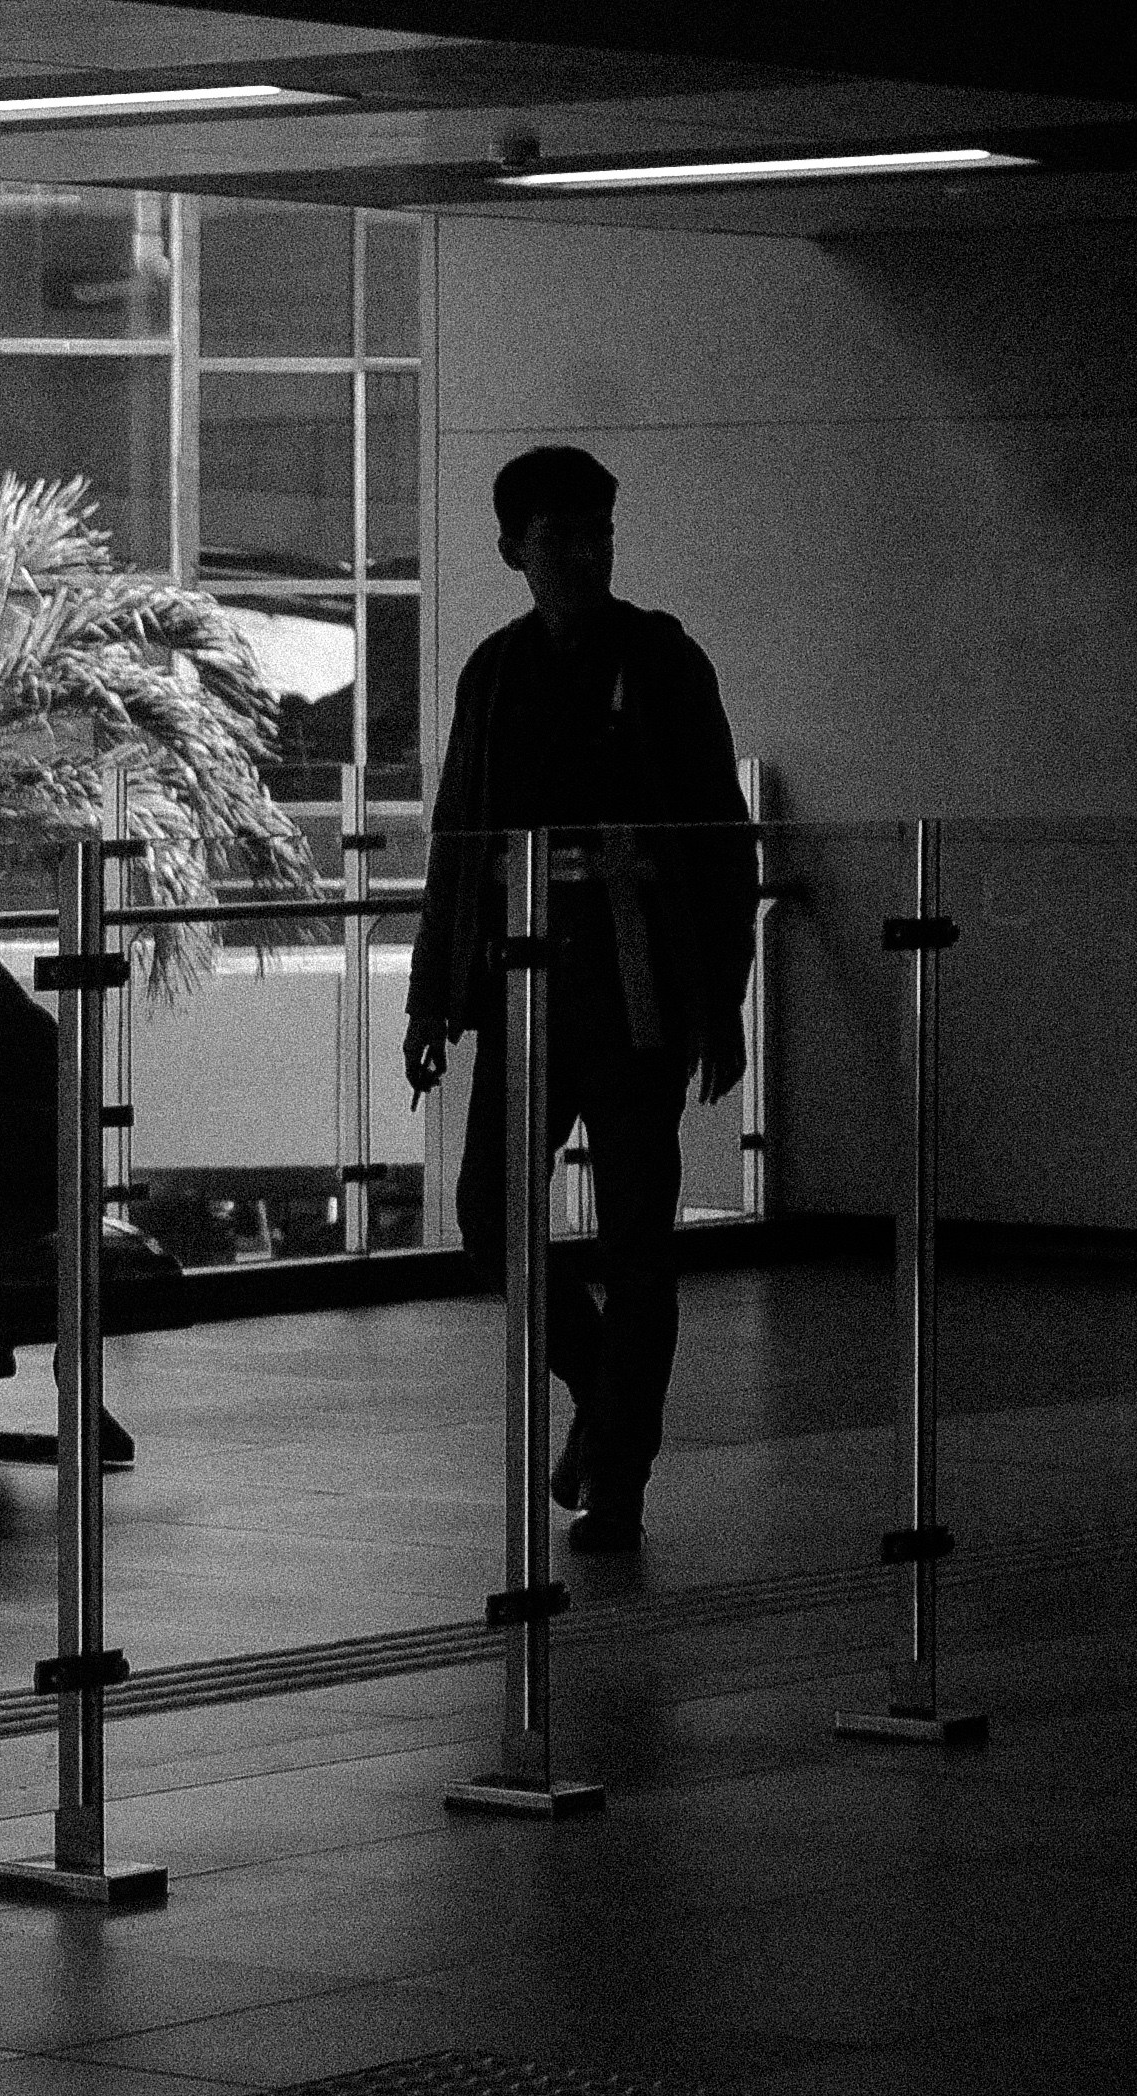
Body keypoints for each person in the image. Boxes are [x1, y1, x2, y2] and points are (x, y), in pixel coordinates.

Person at [404, 447, 758, 1552]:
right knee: (487, 1216)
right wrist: (430, 997)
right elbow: (459, 836)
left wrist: (724, 1000)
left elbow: (720, 840)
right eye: (559, 538)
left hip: (640, 984)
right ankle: (610, 1408)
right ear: (515, 550)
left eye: (597, 534)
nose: (584, 555)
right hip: (523, 980)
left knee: (641, 1239)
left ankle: (622, 1473)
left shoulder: (661, 660)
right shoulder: (496, 671)